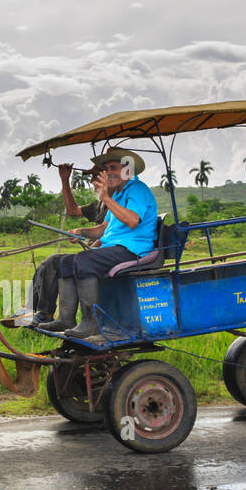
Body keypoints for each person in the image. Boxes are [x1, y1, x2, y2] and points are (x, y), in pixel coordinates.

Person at [37, 147, 157, 343]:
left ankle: (90, 322)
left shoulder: (137, 189)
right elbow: (104, 228)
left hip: (134, 250)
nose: (109, 171)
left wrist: (106, 198)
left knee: (84, 261)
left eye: (113, 167)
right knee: (67, 261)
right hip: (115, 248)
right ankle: (65, 319)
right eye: (107, 167)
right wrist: (83, 233)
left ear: (127, 170)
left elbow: (133, 220)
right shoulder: (118, 194)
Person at [14, 161, 109, 327]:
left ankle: (45, 314)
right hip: (96, 252)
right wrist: (65, 180)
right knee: (46, 265)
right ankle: (33, 309)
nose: (93, 181)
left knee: (55, 261)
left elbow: (107, 231)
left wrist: (87, 241)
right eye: (92, 177)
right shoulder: (100, 205)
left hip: (105, 254)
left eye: (96, 176)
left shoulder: (116, 202)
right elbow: (73, 210)